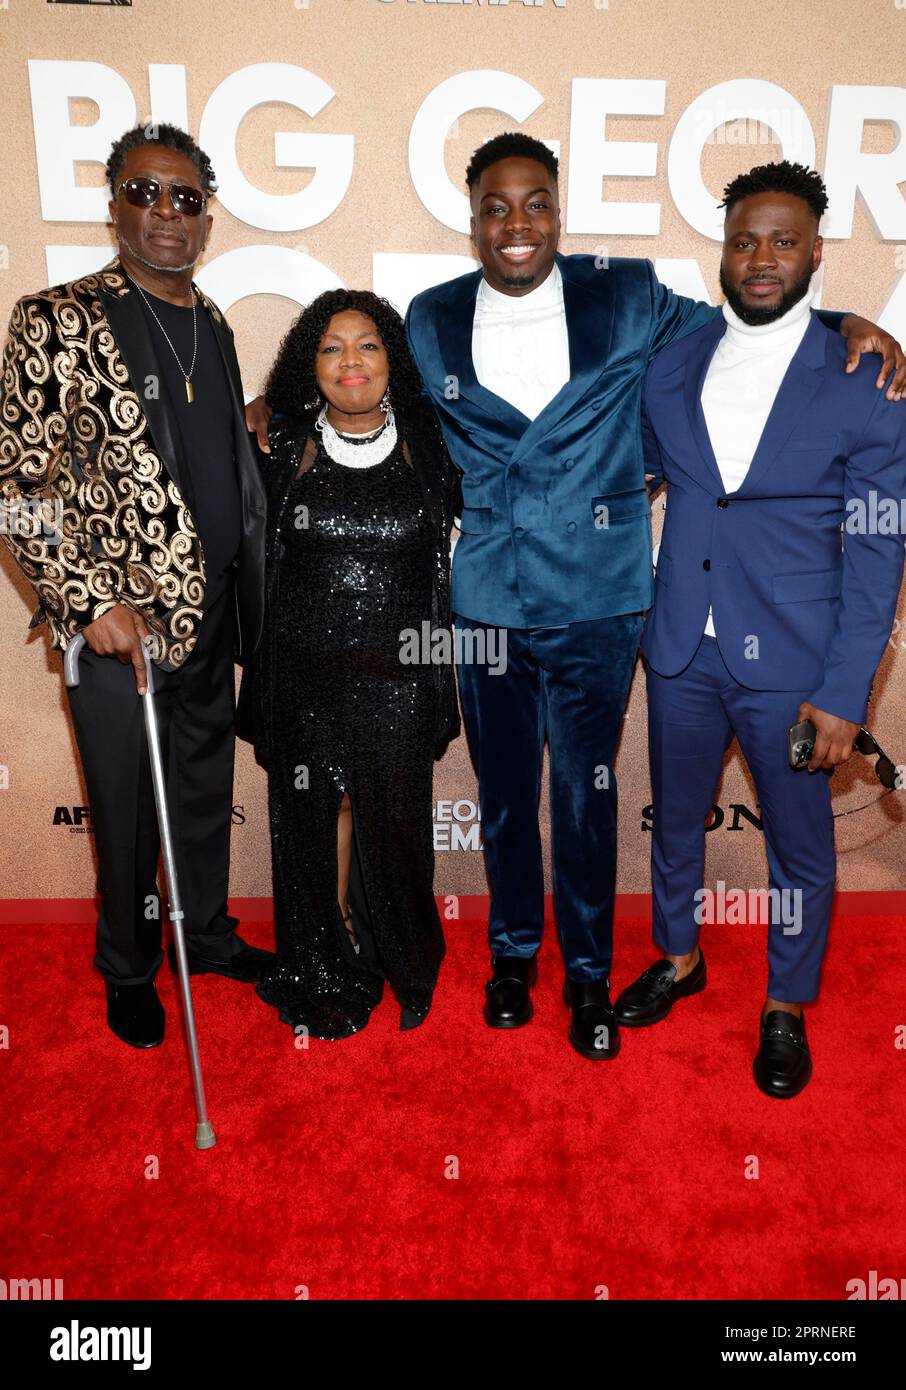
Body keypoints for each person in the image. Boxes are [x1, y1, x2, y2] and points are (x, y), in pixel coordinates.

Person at [399, 132, 905, 1061]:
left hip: (641, 616)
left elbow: (877, 543)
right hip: (593, 625)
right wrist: (280, 409)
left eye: (784, 243)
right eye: (496, 207)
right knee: (547, 802)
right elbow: (365, 388)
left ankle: (754, 1001)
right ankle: (584, 958)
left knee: (604, 803)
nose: (518, 223)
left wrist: (849, 325)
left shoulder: (636, 302)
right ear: (471, 221)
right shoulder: (431, 319)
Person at [614, 161, 906, 1098]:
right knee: (673, 828)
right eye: (745, 240)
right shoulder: (675, 364)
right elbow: (645, 473)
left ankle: (785, 1001)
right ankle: (680, 956)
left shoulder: (866, 381)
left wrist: (844, 691)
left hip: (794, 658)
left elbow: (876, 552)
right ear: (723, 253)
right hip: (681, 646)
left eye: (784, 240)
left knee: (799, 845)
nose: (762, 257)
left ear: (817, 251)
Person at [0, 123, 274, 1049]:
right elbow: (18, 489)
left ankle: (203, 935)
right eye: (146, 193)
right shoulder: (56, 318)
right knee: (124, 806)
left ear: (207, 216)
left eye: (186, 198)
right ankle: (127, 963)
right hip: (122, 628)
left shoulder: (217, 323)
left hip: (217, 615)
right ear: (113, 201)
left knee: (202, 791)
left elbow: (201, 450)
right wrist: (86, 602)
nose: (167, 213)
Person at [236, 290, 460, 1039]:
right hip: (304, 671)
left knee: (394, 821)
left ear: (392, 360)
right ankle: (323, 956)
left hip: (398, 674)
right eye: (331, 348)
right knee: (312, 814)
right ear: (311, 363)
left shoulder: (430, 440)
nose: (351, 361)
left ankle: (402, 954)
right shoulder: (280, 441)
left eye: (367, 344)